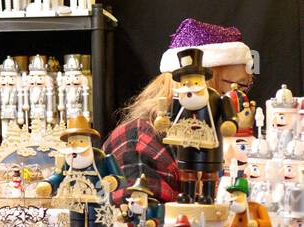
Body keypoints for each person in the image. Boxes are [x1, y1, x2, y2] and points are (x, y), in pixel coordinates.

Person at [104, 18, 254, 203]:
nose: (241, 99)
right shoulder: (138, 140)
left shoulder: (215, 138)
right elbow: (141, 222)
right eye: (238, 86)